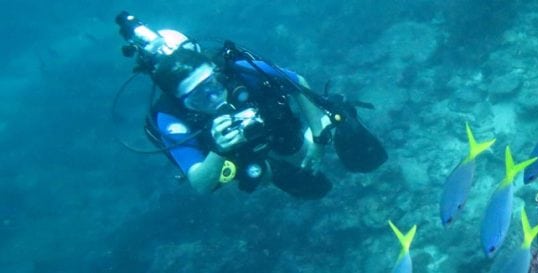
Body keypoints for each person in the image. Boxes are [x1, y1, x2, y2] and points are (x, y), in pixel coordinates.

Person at [114, 11, 387, 199]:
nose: (212, 98)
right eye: (198, 97)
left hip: (280, 128)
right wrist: (219, 150)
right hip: (243, 155)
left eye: (212, 85)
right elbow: (200, 183)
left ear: (215, 70)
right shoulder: (169, 116)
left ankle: (337, 121)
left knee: (324, 138)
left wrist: (318, 139)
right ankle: (276, 171)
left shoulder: (240, 70)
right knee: (256, 175)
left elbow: (296, 83)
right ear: (179, 99)